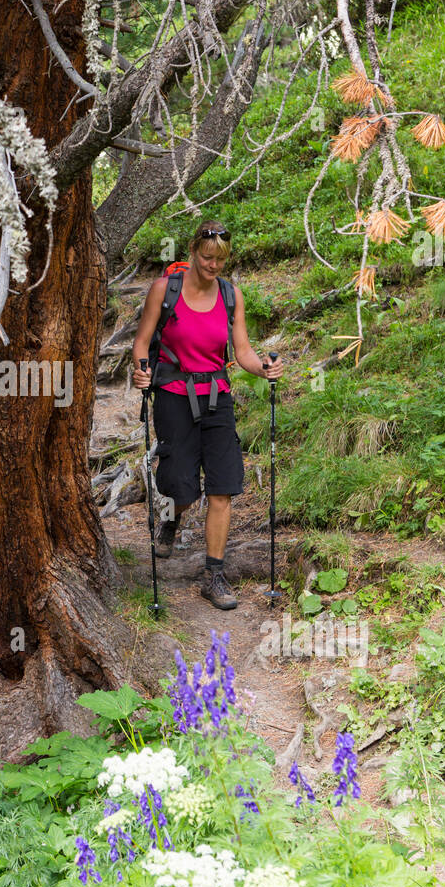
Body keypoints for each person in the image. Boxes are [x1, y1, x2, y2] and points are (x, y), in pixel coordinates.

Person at [131, 220, 284, 610]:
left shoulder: (231, 296)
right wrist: (142, 370)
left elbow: (242, 351)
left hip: (217, 396)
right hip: (173, 395)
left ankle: (214, 575)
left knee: (223, 486)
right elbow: (143, 342)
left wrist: (263, 366)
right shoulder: (166, 291)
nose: (213, 265)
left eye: (220, 259)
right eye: (206, 257)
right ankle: (173, 517)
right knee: (180, 485)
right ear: (193, 251)